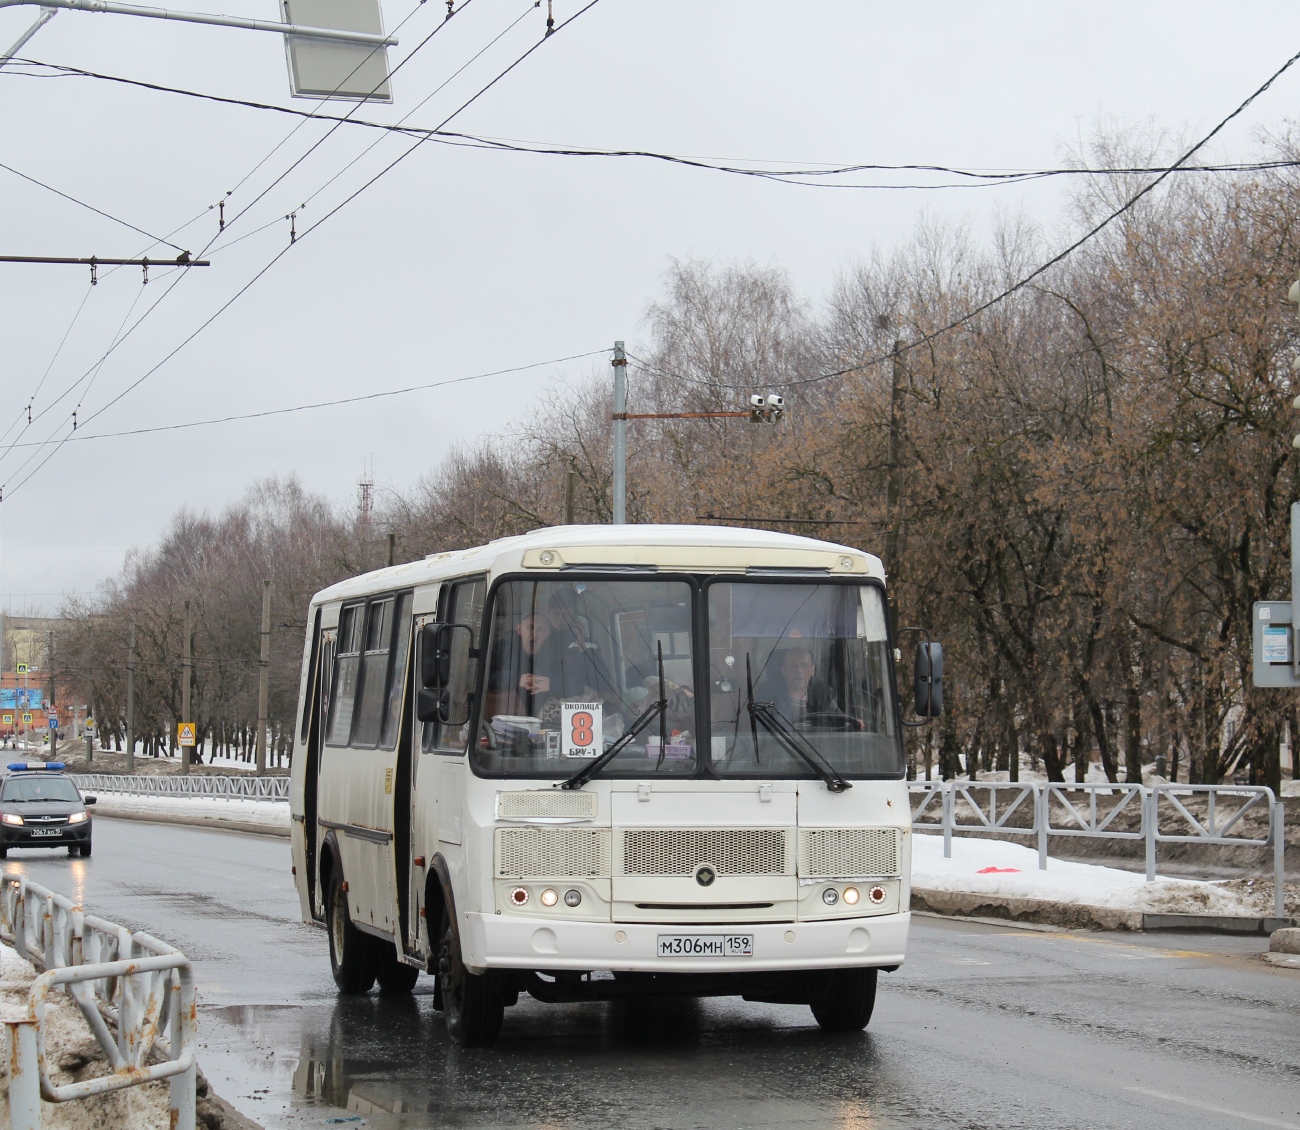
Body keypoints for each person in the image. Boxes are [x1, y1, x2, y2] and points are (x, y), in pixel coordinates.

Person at [764, 646, 840, 726]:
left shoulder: (824, 696)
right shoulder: (769, 697)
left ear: (812, 670)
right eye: (793, 666)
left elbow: (842, 722)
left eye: (804, 666)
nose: (799, 671)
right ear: (784, 671)